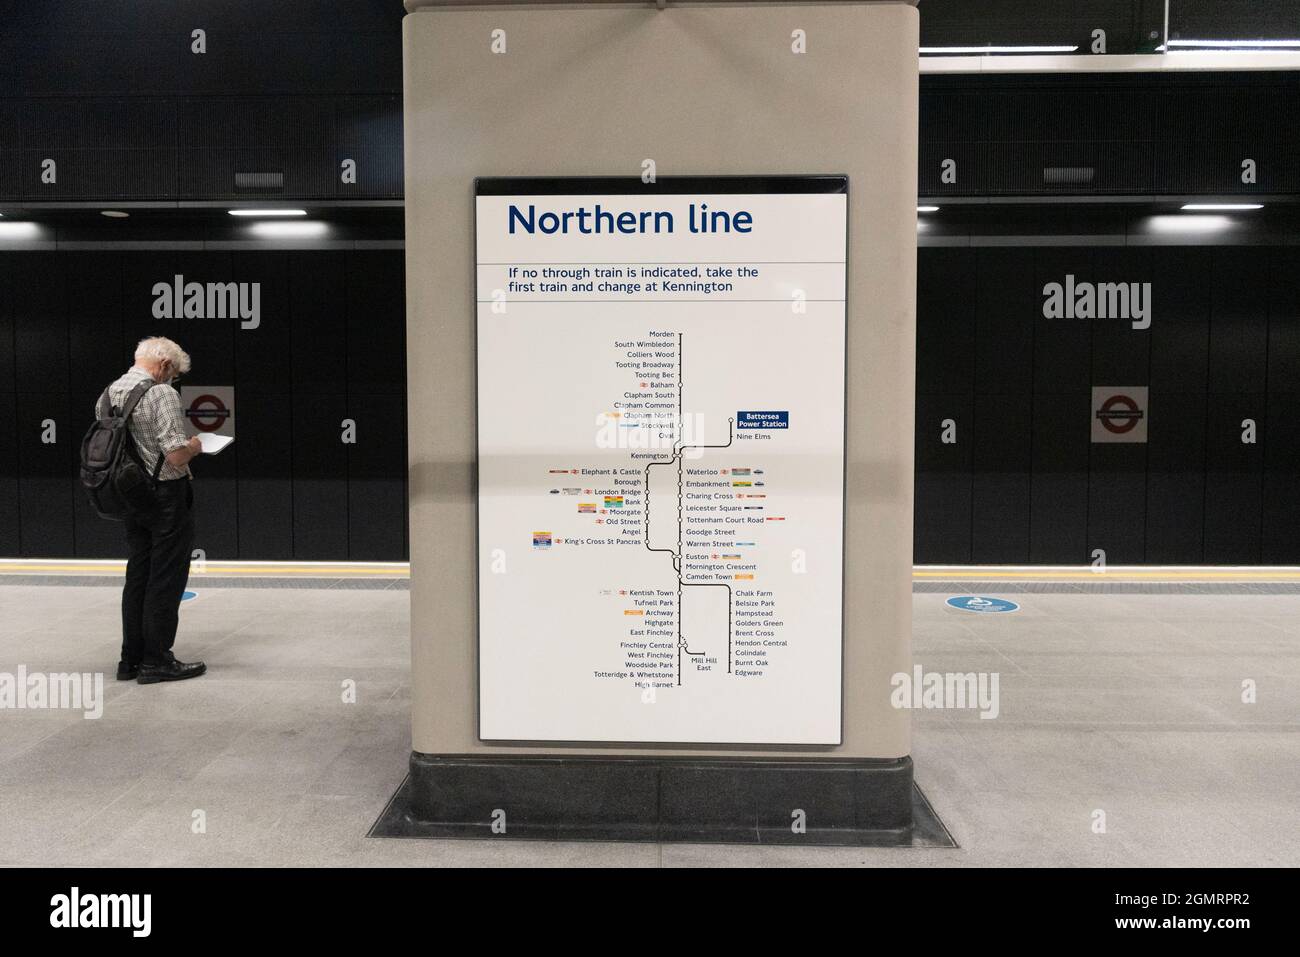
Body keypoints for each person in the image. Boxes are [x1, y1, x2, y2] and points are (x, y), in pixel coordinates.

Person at [97, 337, 207, 684]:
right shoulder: (160, 393)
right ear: (164, 366)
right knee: (165, 578)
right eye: (173, 374)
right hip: (164, 496)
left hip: (130, 496)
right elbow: (174, 454)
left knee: (139, 575)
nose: (172, 380)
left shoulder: (109, 393)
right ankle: (157, 659)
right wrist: (195, 446)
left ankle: (130, 659)